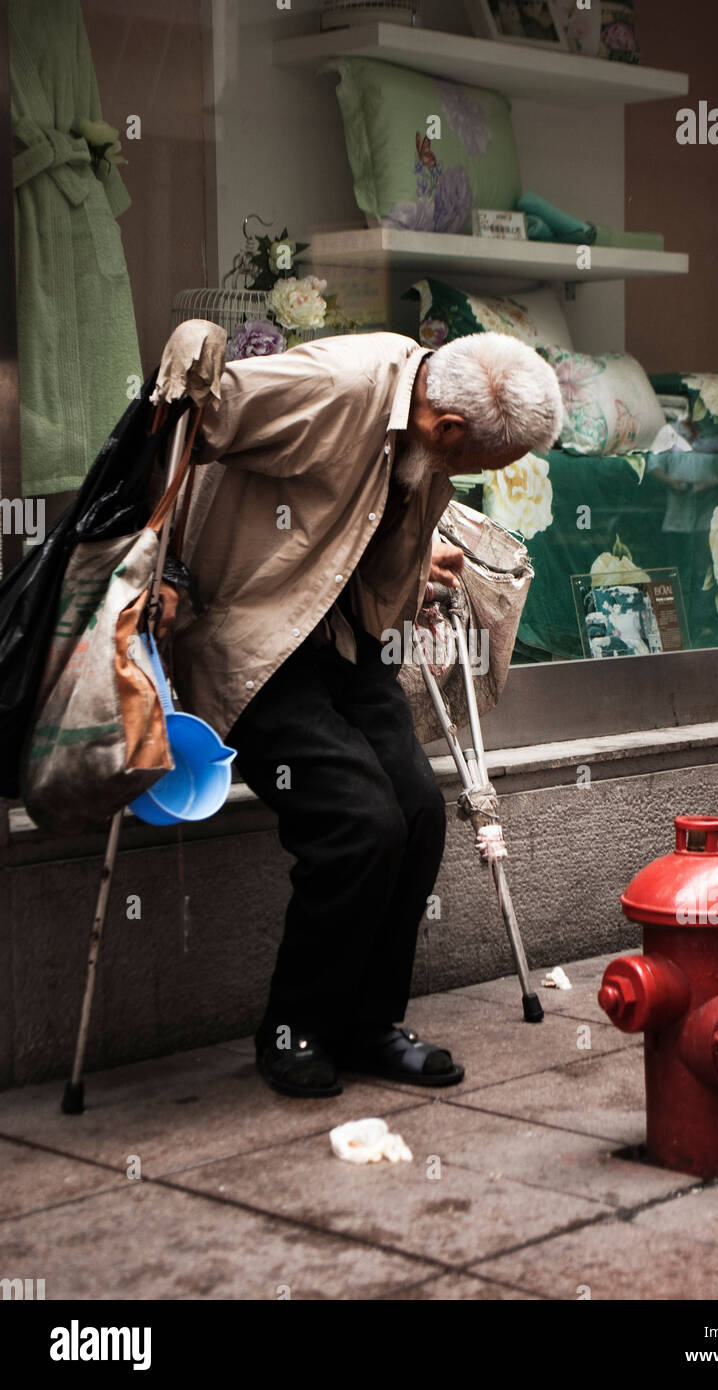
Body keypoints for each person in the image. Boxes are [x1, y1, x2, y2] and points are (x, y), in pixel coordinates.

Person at [158, 329, 563, 1098]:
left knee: (416, 813)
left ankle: (367, 1024)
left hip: (347, 634)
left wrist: (417, 559)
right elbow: (188, 416)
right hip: (258, 639)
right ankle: (295, 1029)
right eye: (482, 463)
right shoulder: (338, 387)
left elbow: (356, 512)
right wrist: (165, 568)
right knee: (357, 822)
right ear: (449, 429)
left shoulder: (424, 425)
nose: (475, 477)